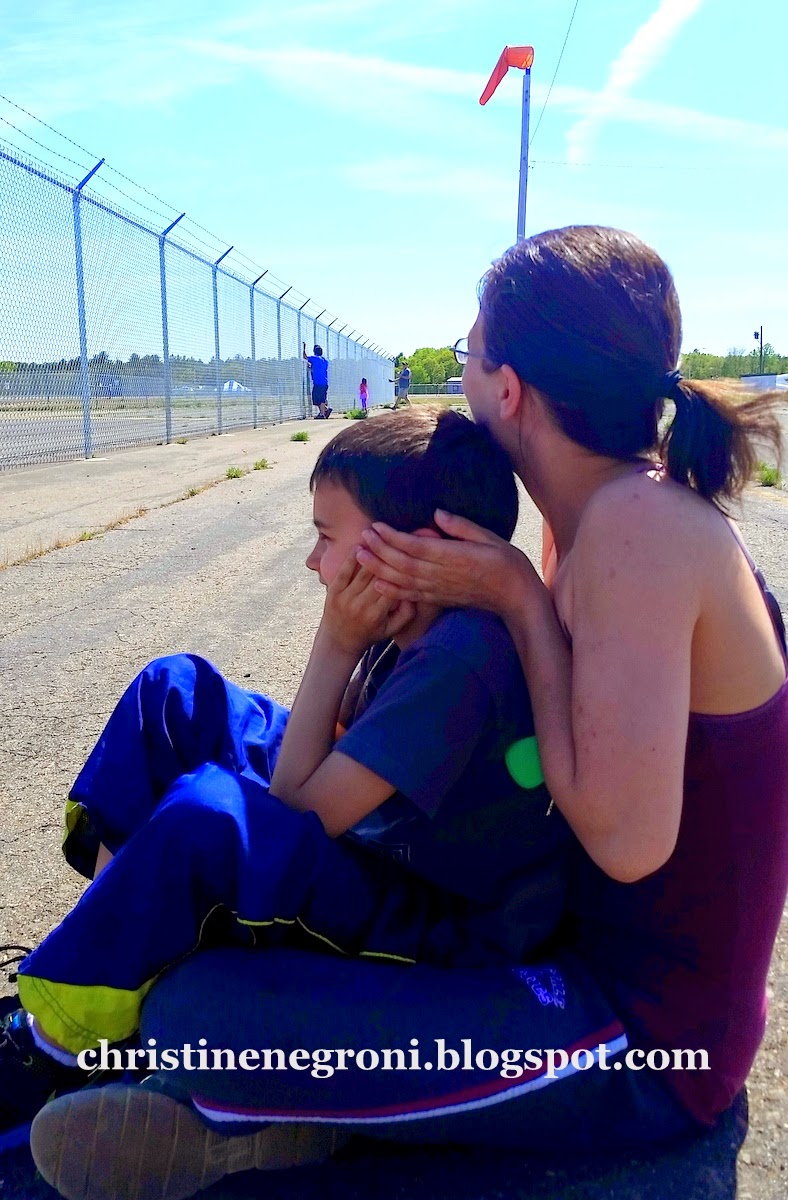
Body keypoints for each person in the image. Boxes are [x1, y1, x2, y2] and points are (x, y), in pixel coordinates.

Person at [29, 225, 788, 1199]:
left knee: (198, 1015)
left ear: (505, 388)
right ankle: (118, 953)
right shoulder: (608, 511)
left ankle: (265, 1119)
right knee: (187, 707)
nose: (461, 368)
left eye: (468, 349)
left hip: (633, 1035)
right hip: (522, 900)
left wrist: (516, 600)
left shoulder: (634, 532)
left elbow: (628, 841)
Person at [5, 408, 569, 1138]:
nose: (312, 561)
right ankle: (109, 982)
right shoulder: (425, 626)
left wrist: (334, 643)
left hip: (437, 926)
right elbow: (328, 758)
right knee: (174, 692)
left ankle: (48, 1053)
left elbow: (294, 810)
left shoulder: (460, 659)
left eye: (325, 538)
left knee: (210, 816)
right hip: (376, 836)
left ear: (412, 552)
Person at [303, 342, 331, 418]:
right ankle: (325, 409)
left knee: (319, 399)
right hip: (325, 382)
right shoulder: (325, 360)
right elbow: (319, 368)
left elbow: (305, 357)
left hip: (318, 382)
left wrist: (304, 348)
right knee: (320, 398)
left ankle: (322, 414)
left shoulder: (314, 358)